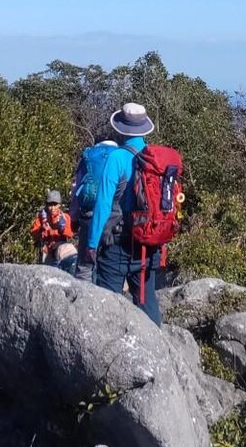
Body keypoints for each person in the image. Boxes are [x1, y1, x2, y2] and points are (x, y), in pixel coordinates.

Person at [75, 102, 164, 322]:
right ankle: (158, 349)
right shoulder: (155, 158)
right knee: (146, 301)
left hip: (118, 244)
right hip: (148, 243)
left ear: (121, 129)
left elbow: (103, 204)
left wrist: (92, 244)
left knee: (109, 303)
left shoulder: (116, 158)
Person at [29, 189, 78, 273]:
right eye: (50, 205)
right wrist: (41, 229)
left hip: (60, 248)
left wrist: (61, 228)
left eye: (55, 204)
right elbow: (33, 233)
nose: (52, 208)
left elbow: (70, 234)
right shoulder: (41, 217)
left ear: (59, 205)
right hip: (46, 250)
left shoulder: (65, 217)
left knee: (71, 253)